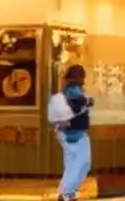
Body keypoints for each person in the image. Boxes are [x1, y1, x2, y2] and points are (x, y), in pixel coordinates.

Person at [51, 65, 93, 201]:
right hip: (76, 133)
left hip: (68, 132)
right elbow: (77, 105)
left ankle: (67, 193)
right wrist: (87, 101)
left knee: (72, 164)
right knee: (83, 163)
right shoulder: (73, 90)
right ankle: (67, 193)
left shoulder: (67, 88)